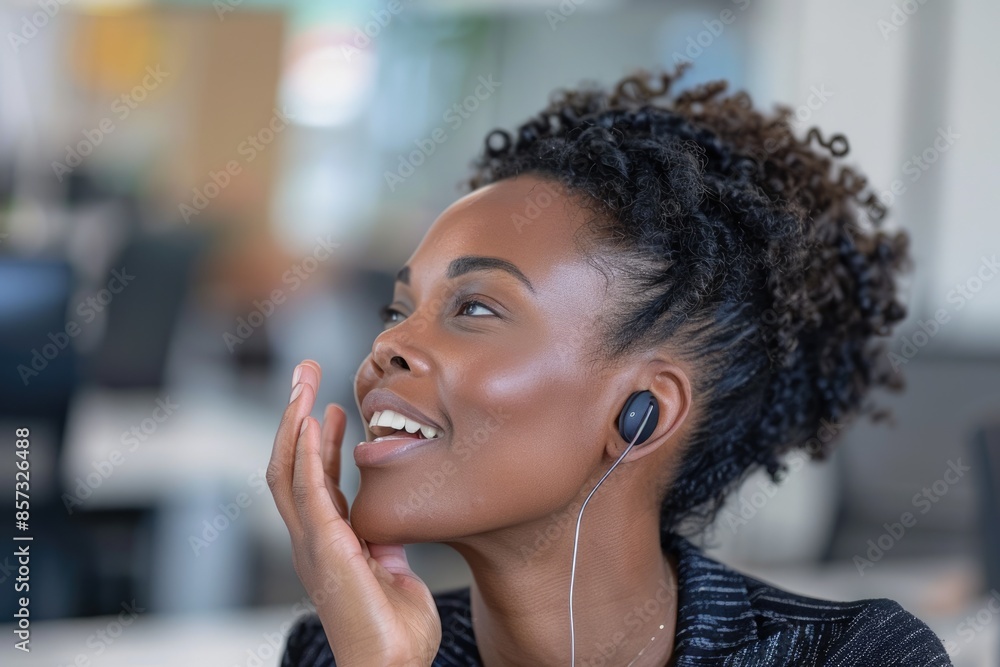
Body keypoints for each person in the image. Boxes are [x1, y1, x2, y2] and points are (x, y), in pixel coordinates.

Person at [267, 64, 953, 666]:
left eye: (474, 307)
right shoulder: (341, 647)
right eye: (398, 309)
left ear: (642, 414)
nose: (387, 345)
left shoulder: (855, 656)